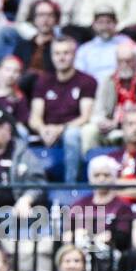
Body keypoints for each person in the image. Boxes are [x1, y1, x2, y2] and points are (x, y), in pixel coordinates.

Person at [28, 36, 97, 182]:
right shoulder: (43, 81)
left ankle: (70, 186)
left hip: (71, 130)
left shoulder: (87, 81)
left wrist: (60, 129)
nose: (61, 58)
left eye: (66, 53)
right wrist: (42, 129)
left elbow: (85, 117)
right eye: (57, 53)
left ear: (74, 55)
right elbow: (35, 117)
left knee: (71, 135)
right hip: (47, 132)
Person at [82, 41, 136, 153]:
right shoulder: (107, 81)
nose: (124, 65)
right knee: (88, 130)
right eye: (120, 61)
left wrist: (121, 122)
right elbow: (98, 112)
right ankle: (93, 165)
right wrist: (102, 122)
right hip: (109, 125)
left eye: (128, 61)